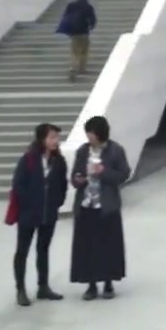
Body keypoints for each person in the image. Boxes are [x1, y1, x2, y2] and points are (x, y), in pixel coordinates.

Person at [70, 116, 132, 300]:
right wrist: (77, 179)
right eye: (88, 133)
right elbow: (75, 174)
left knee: (108, 245)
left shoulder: (115, 151)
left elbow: (123, 174)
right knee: (87, 246)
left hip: (106, 205)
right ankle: (90, 284)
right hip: (86, 203)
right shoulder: (83, 151)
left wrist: (103, 172)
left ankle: (108, 282)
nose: (89, 137)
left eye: (92, 134)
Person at [11, 122, 68, 306]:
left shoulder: (58, 160)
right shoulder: (28, 159)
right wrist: (29, 204)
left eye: (56, 137)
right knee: (22, 251)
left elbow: (62, 184)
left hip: (48, 214)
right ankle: (20, 289)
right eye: (51, 137)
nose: (55, 141)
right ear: (42, 138)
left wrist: (56, 203)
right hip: (28, 214)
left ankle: (43, 286)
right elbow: (18, 185)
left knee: (43, 250)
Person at [56, 0, 97, 82]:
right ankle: (82, 69)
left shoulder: (71, 5)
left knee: (74, 52)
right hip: (84, 32)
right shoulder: (88, 6)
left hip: (73, 33)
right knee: (84, 51)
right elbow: (93, 20)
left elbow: (65, 17)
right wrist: (91, 27)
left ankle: (72, 68)